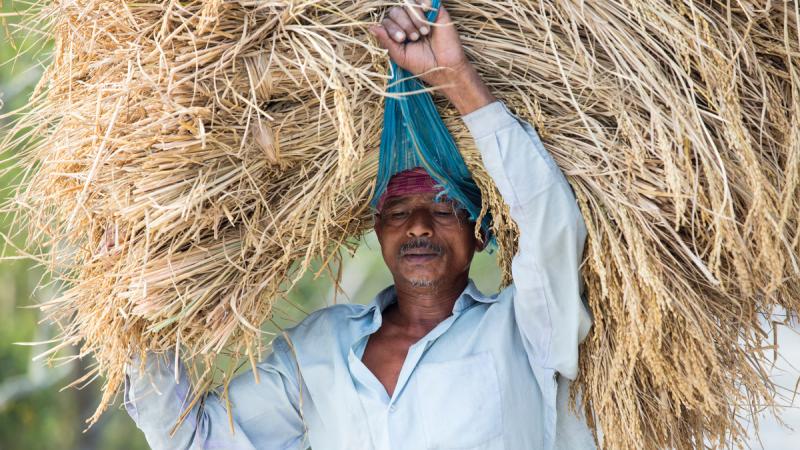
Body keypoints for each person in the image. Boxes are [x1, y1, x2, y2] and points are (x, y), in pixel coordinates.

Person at [124, 1, 595, 448]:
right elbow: (193, 439)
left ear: (480, 231)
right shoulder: (320, 349)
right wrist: (132, 311)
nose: (417, 227)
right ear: (378, 230)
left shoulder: (523, 329)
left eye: (444, 208)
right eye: (397, 212)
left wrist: (457, 79)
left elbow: (548, 223)